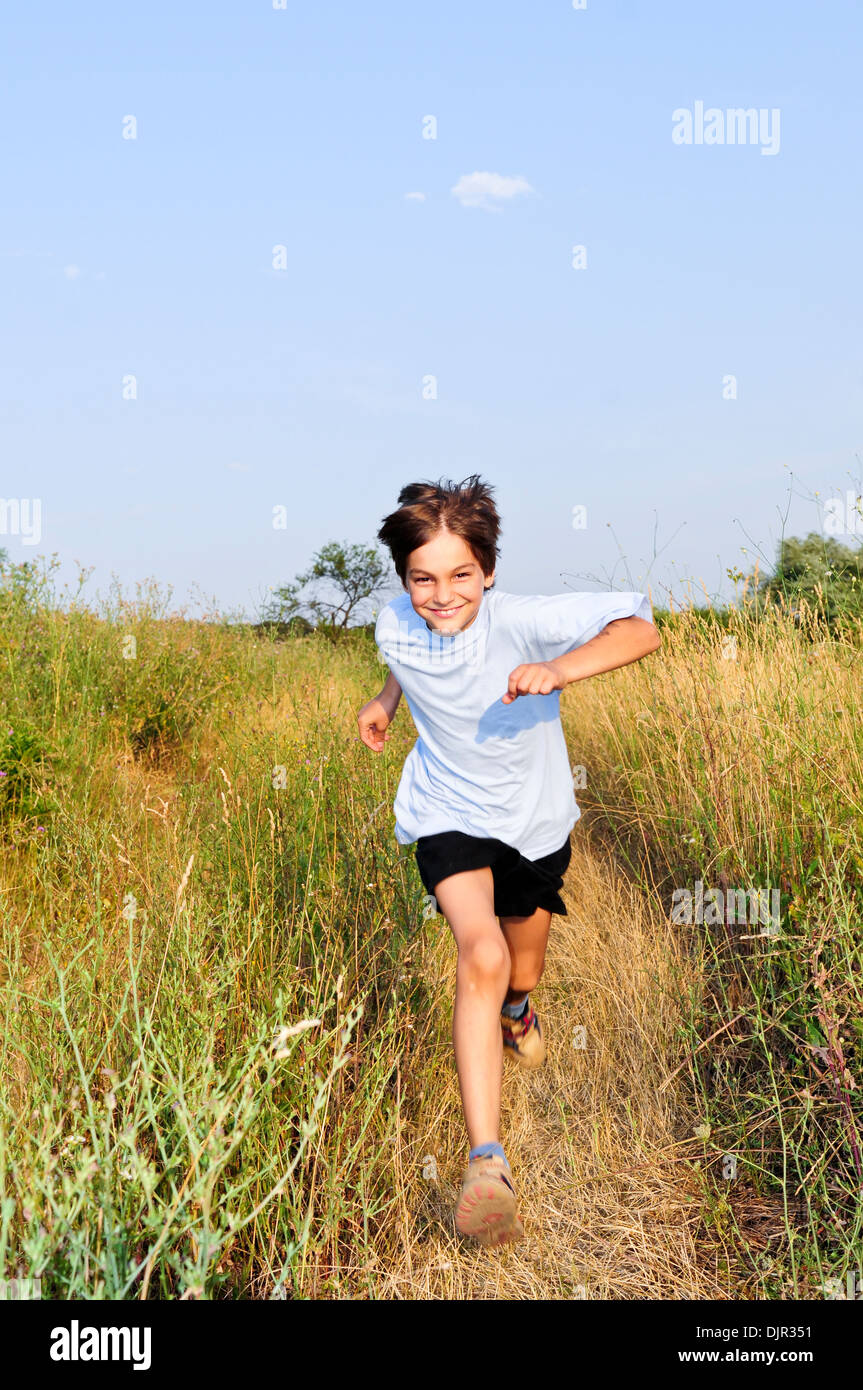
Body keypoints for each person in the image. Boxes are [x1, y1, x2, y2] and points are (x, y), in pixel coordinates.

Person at [357, 475, 661, 1246]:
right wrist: (386, 703)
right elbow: (405, 655)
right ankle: (486, 1161)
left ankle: (520, 1011)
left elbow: (639, 630)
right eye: (422, 577)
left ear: (487, 571)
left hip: (532, 821)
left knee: (520, 972)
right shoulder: (394, 621)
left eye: (460, 574)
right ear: (402, 580)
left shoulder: (523, 620)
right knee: (480, 954)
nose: (441, 593)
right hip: (444, 812)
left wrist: (560, 670)